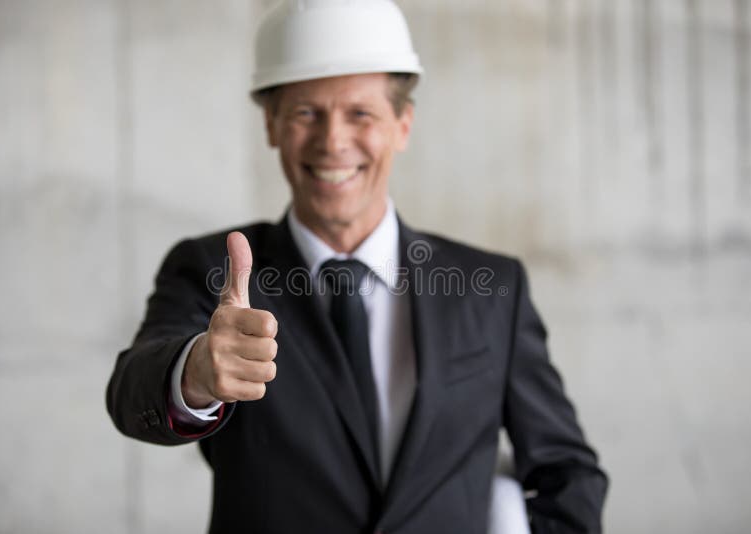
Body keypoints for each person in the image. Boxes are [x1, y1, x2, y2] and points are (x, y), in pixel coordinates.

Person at [106, 1, 608, 533]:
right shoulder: (212, 270)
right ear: (271, 124)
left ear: (402, 125)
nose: (333, 142)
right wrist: (195, 374)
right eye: (305, 113)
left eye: (360, 114)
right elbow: (129, 394)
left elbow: (568, 474)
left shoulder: (491, 289)